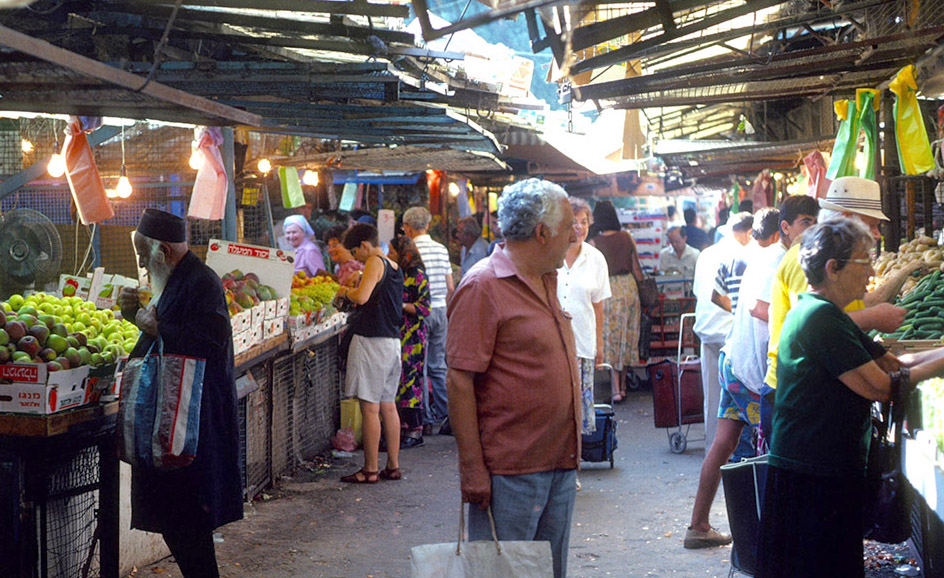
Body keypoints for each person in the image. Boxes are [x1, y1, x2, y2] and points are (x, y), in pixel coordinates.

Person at [756, 217, 944, 577]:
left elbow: (892, 363)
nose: (872, 270)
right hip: (811, 479)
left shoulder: (828, 315)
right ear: (834, 268)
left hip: (824, 474)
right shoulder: (819, 320)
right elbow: (883, 386)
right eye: (864, 261)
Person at [447, 178, 579, 578]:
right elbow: (459, 381)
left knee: (548, 571)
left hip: (559, 460)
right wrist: (472, 468)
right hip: (511, 472)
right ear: (542, 233)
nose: (575, 234)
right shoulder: (482, 286)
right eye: (569, 226)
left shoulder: (546, 278)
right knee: (502, 573)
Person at [117, 209, 242, 578]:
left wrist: (155, 326)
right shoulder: (176, 279)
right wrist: (135, 317)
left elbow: (208, 339)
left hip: (193, 424)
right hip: (173, 421)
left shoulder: (202, 282)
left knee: (188, 526)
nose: (142, 265)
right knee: (180, 525)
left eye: (144, 257)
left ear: (164, 251)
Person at [764, 177, 913, 404]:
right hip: (794, 391)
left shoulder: (837, 266)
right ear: (846, 221)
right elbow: (817, 326)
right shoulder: (806, 257)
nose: (877, 234)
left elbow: (855, 309)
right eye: (871, 224)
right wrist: (875, 317)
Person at [684, 209, 781, 549]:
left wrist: (737, 313)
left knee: (723, 444)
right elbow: (759, 309)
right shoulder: (777, 259)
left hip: (733, 358)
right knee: (774, 448)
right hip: (751, 368)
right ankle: (771, 538)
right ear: (781, 230)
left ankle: (698, 525)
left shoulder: (739, 257)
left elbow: (717, 296)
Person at [335, 223, 404, 483]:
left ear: (365, 245)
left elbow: (361, 298)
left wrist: (343, 291)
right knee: (388, 406)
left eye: (355, 251)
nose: (355, 257)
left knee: (370, 408)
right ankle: (393, 465)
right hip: (391, 343)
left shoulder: (375, 261)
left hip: (372, 342)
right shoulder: (394, 266)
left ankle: (370, 469)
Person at [691, 214, 750, 449]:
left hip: (706, 330)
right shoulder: (744, 254)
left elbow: (698, 292)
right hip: (729, 332)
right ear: (748, 233)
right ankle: (734, 450)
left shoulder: (706, 254)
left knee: (713, 396)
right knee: (736, 397)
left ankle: (712, 447)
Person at [558, 197, 611, 436]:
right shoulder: (550, 256)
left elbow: (597, 305)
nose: (579, 227)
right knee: (557, 404)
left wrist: (599, 345)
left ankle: (575, 460)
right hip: (553, 344)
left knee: (580, 406)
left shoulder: (596, 259)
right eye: (573, 222)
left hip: (583, 342)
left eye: (584, 222)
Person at [402, 206, 455, 431]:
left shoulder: (409, 249)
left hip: (417, 312)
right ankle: (446, 413)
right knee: (438, 364)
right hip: (441, 310)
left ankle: (424, 418)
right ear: (428, 225)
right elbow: (450, 286)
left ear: (407, 227)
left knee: (419, 367)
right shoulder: (441, 249)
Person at [589, 200, 644, 403]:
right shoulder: (627, 237)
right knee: (627, 336)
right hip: (629, 289)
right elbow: (636, 268)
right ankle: (623, 385)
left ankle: (615, 389)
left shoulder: (594, 242)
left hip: (608, 291)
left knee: (610, 338)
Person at [388, 234, 431, 449]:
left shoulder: (417, 274)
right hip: (398, 334)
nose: (389, 255)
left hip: (413, 337)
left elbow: (424, 308)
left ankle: (415, 431)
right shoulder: (398, 272)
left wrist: (401, 304)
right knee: (400, 381)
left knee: (411, 383)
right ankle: (403, 428)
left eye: (392, 251)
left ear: (404, 253)